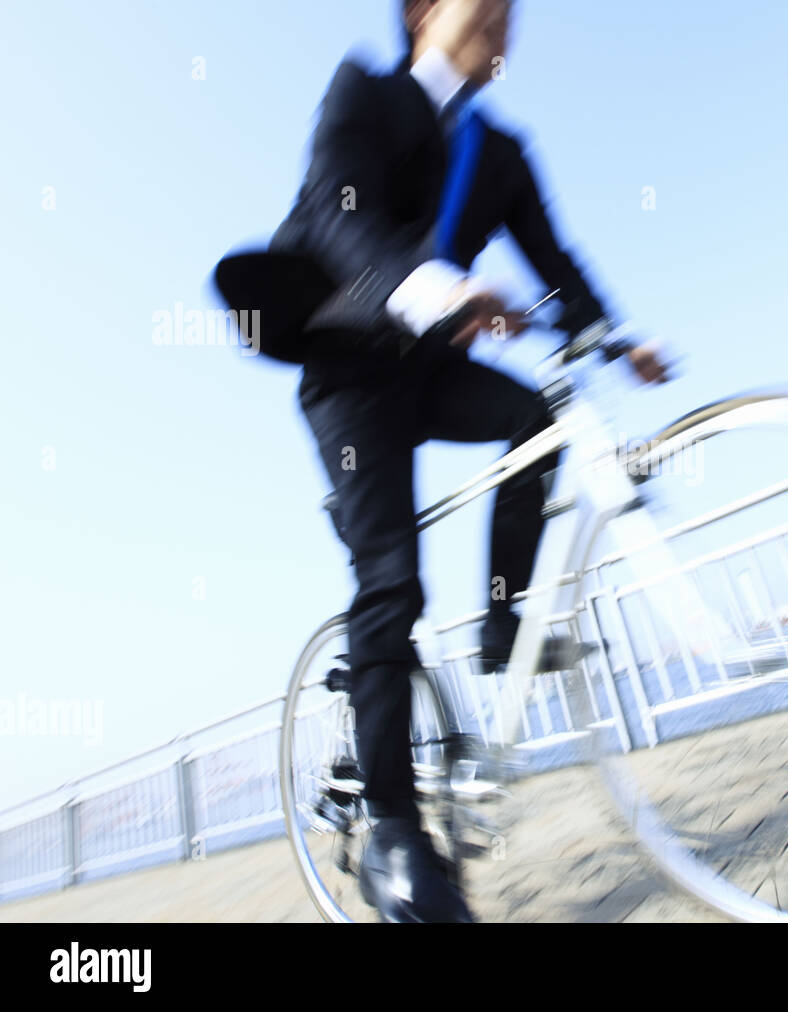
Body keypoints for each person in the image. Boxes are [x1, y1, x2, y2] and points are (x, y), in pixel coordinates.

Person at [217, 0, 666, 922]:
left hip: (429, 374)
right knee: (391, 585)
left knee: (540, 414)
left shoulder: (500, 150)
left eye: (513, 11)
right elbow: (341, 221)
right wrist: (438, 284)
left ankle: (506, 626)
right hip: (348, 376)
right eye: (484, 4)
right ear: (423, 13)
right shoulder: (362, 95)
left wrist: (615, 339)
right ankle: (392, 832)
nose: (504, 19)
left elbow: (558, 264)